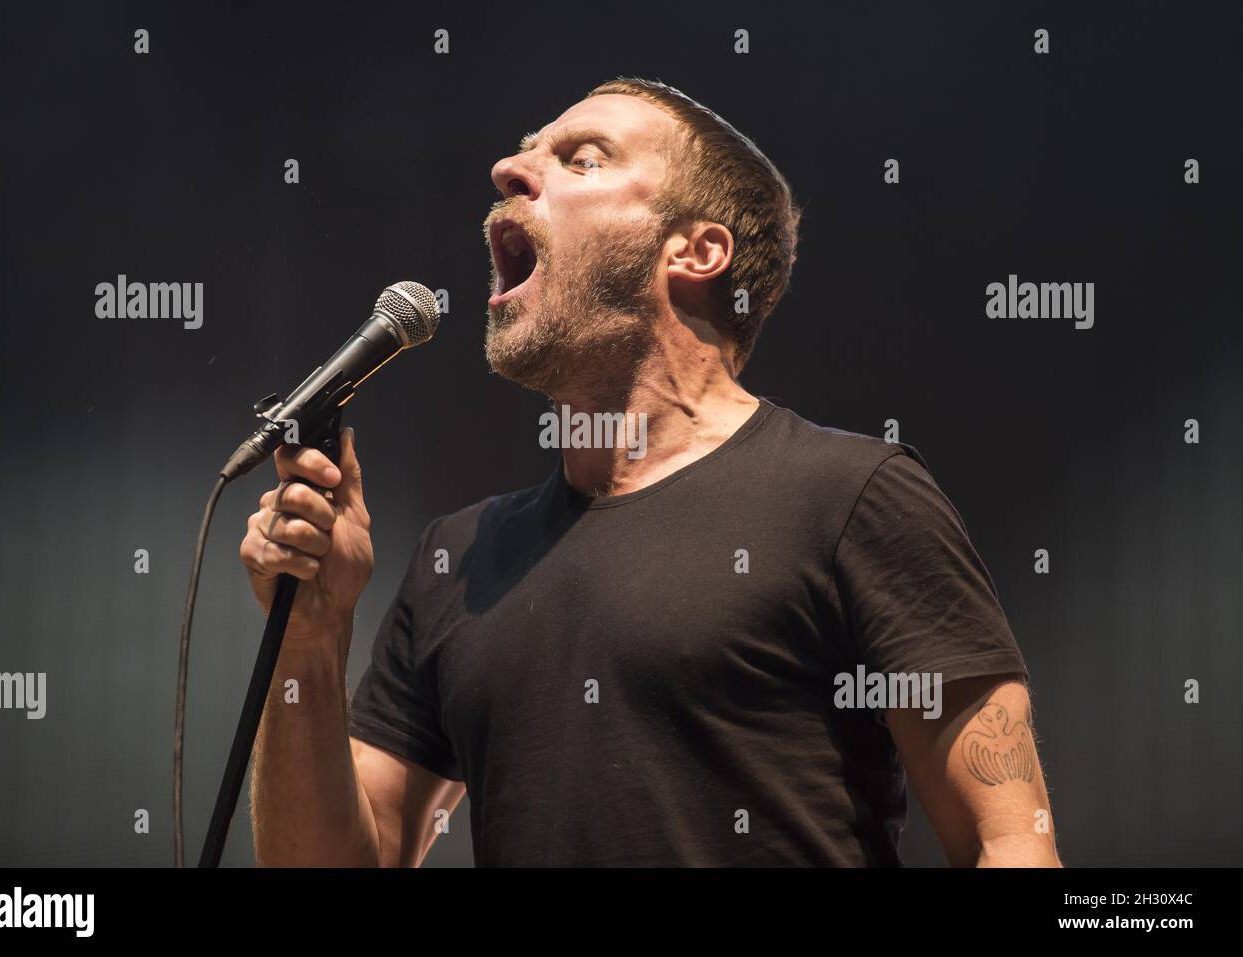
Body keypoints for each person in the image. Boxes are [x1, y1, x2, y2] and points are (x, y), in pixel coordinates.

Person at [240, 77, 1061, 867]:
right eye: (528, 151)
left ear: (697, 250)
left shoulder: (850, 497)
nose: (509, 170)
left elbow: (1009, 840)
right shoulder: (457, 558)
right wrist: (308, 637)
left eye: (581, 158)